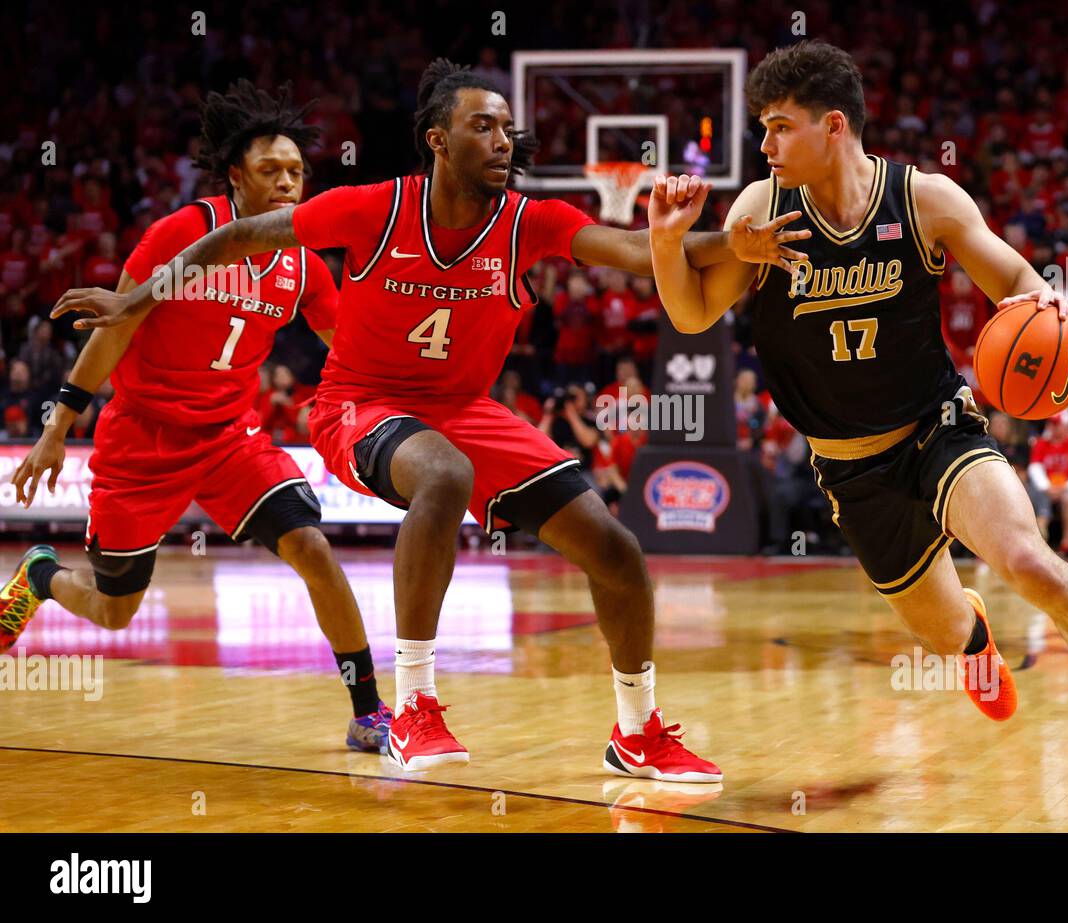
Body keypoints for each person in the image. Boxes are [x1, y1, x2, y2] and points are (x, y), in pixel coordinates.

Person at [52, 59, 800, 781]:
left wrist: (730, 242)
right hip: (359, 404)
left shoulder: (526, 222)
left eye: (508, 127)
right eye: (483, 126)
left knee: (615, 547)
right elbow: (236, 237)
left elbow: (637, 250)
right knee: (443, 472)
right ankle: (410, 706)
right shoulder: (374, 206)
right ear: (438, 140)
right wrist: (133, 301)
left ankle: (636, 732)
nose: (503, 140)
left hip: (465, 410)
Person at [645, 39, 1068, 797]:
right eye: (763, 128)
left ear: (833, 126)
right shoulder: (762, 212)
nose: (763, 145)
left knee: (1030, 561)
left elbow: (1014, 278)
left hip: (939, 429)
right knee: (938, 628)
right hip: (849, 466)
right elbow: (694, 311)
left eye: (779, 126)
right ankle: (972, 637)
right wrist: (669, 244)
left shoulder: (924, 197)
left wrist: (1048, 297)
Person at [5, 81, 391, 752]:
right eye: (271, 170)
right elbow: (115, 330)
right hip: (142, 438)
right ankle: (42, 575)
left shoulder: (302, 265)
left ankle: (369, 710)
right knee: (116, 608)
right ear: (236, 175)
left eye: (297, 172)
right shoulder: (183, 233)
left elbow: (354, 348)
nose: (287, 183)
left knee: (312, 545)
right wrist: (56, 428)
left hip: (228, 437)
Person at [1027, 412, 1068, 555]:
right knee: (1034, 494)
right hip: (1046, 488)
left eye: (1056, 424)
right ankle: (1038, 540)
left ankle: (1067, 543)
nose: (1052, 427)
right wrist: (1047, 487)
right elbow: (1035, 468)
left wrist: (1066, 487)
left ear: (1066, 426)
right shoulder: (1041, 443)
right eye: (1051, 424)